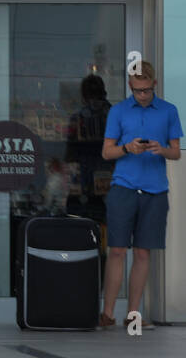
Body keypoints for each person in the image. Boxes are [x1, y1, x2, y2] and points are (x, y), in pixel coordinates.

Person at [99, 61, 181, 330]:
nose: (142, 95)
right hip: (123, 186)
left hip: (155, 190)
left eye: (146, 90)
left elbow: (176, 152)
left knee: (143, 253)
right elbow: (106, 152)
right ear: (130, 88)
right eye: (137, 91)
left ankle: (133, 314)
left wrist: (161, 149)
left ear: (154, 85)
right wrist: (127, 148)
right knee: (117, 250)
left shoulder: (169, 111)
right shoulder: (118, 111)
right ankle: (107, 313)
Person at [65, 74, 114, 221]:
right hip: (111, 177)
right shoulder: (116, 115)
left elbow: (70, 154)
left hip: (85, 179)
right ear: (104, 92)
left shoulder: (77, 117)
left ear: (84, 95)